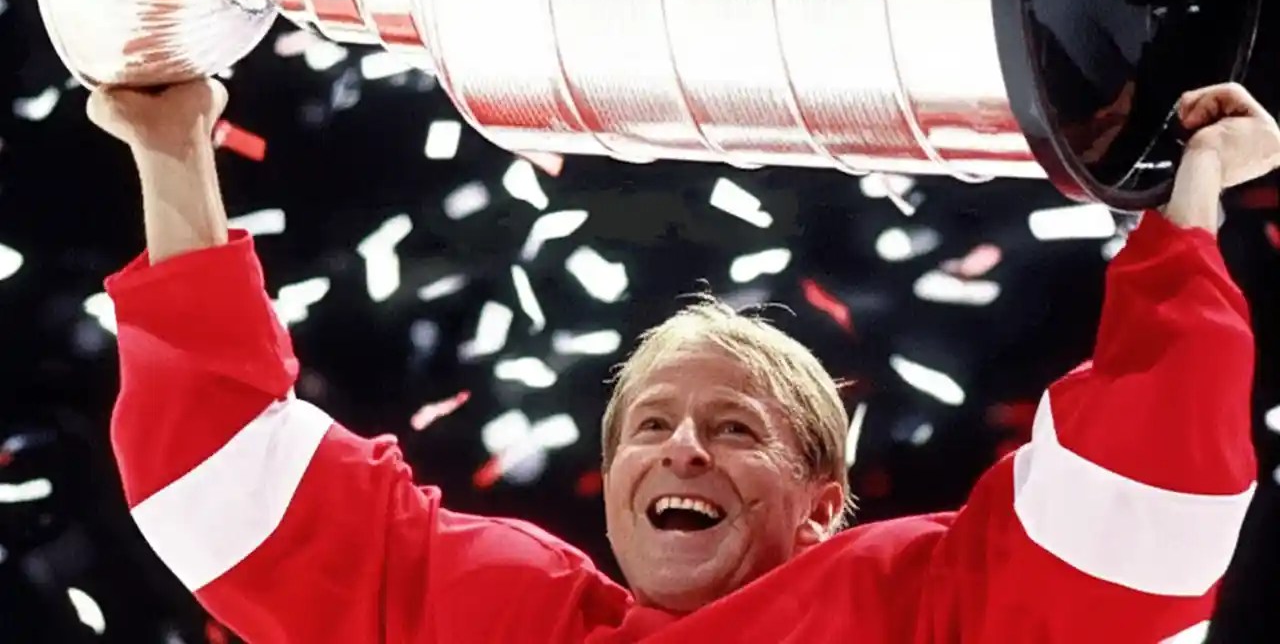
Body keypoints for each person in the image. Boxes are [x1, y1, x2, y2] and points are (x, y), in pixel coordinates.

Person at [89, 79, 1272, 643]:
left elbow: (1141, 512)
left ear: (822, 506)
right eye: (648, 426)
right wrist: (172, 146)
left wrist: (1190, 206)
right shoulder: (512, 619)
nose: (681, 446)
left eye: (735, 427)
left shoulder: (901, 608)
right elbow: (226, 476)